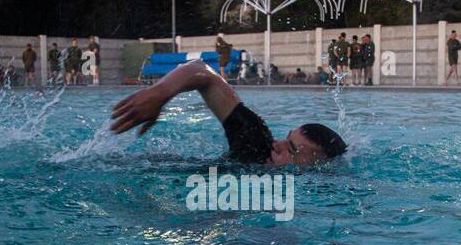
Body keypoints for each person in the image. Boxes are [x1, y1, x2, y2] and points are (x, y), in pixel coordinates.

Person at [109, 58, 347, 166]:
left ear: (318, 167)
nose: (277, 144)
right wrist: (159, 93)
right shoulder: (256, 144)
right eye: (287, 138)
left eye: (291, 149)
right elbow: (200, 71)